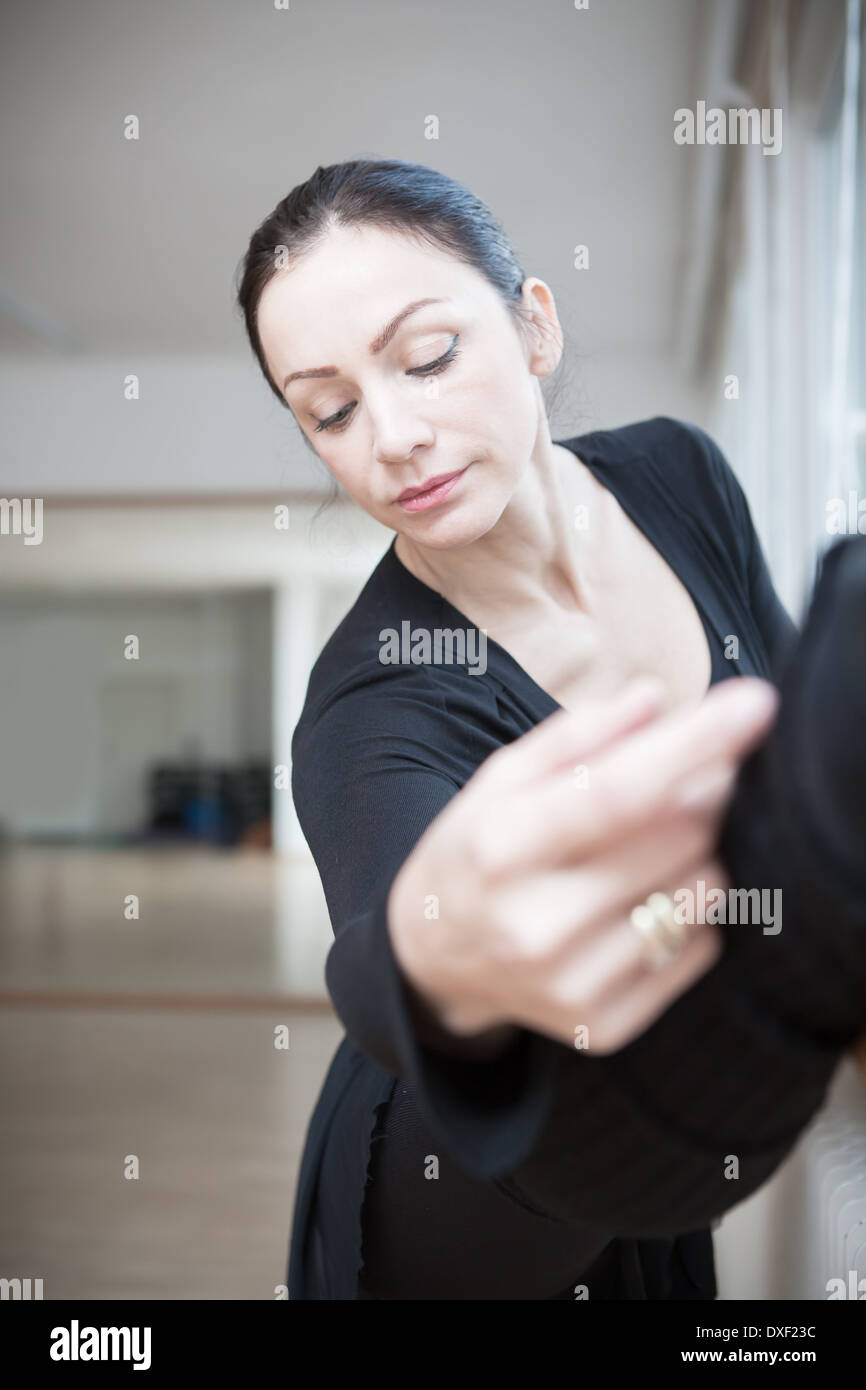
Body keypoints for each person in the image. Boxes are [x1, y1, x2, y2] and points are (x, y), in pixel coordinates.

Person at [234, 158, 866, 1300]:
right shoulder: (368, 704)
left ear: (533, 327)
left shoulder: (680, 473)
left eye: (426, 358)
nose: (391, 436)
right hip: (466, 1159)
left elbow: (783, 743)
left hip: (663, 1110)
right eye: (328, 411)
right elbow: (378, 964)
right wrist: (435, 954)